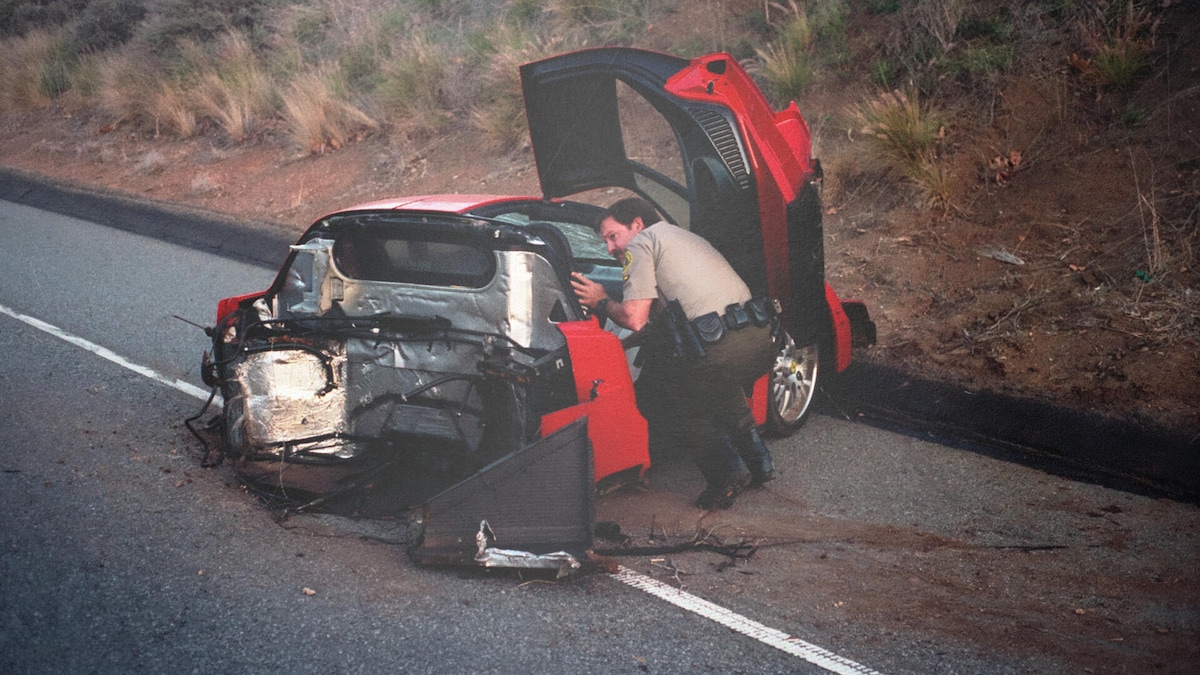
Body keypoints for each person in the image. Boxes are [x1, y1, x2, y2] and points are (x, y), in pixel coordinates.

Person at [570, 197, 778, 509]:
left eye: (613, 237)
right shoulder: (682, 236)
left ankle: (725, 481)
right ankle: (761, 464)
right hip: (760, 340)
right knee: (721, 384)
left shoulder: (641, 243)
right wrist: (621, 346)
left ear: (637, 224)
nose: (610, 248)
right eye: (606, 242)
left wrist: (600, 300)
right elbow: (667, 321)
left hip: (720, 348)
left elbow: (634, 317)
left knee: (690, 404)